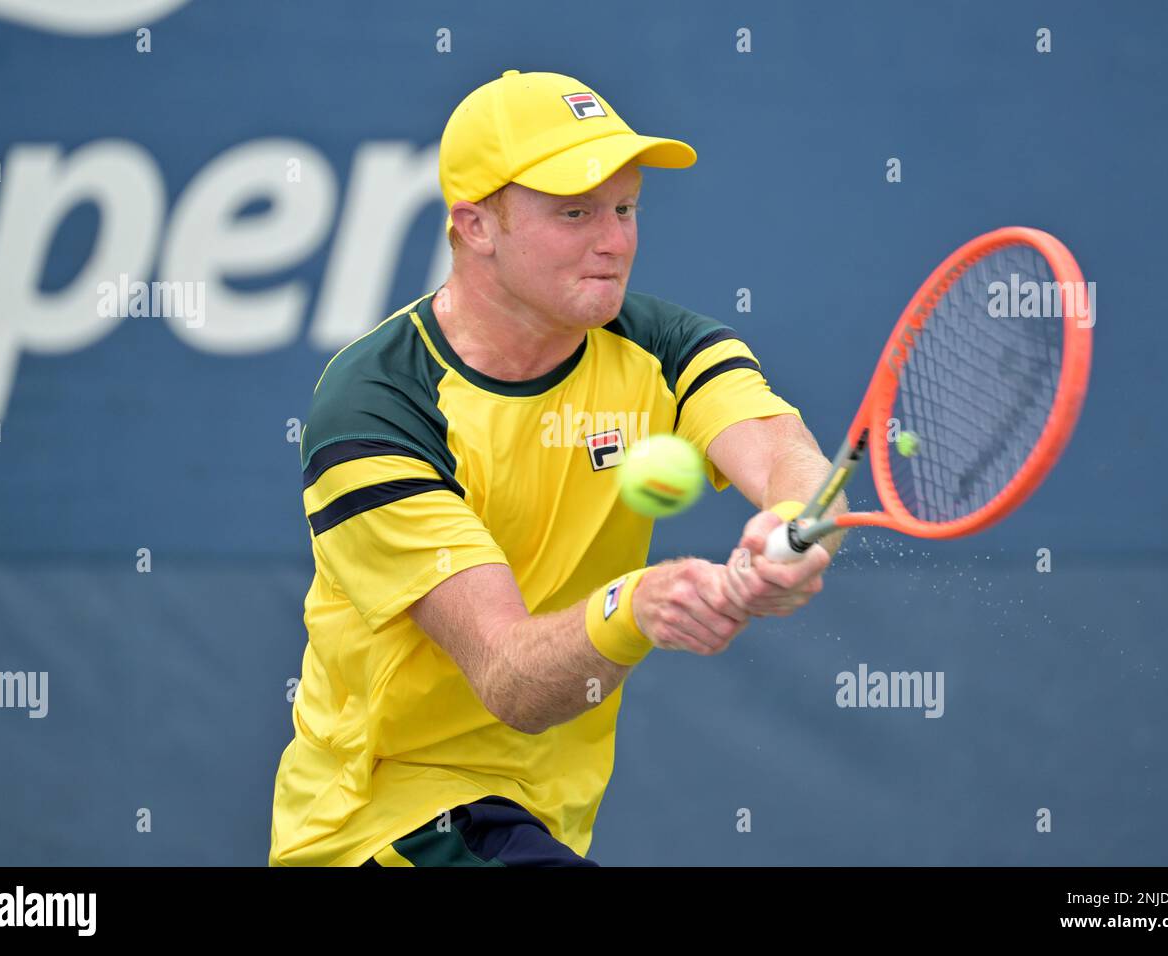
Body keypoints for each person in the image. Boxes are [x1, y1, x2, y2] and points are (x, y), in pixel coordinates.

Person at [268, 69, 847, 867]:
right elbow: (510, 680)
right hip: (389, 826)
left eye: (625, 208)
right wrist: (637, 606)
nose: (614, 241)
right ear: (476, 226)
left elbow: (784, 452)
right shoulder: (375, 410)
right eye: (574, 213)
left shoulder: (667, 349)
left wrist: (793, 529)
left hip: (537, 821)